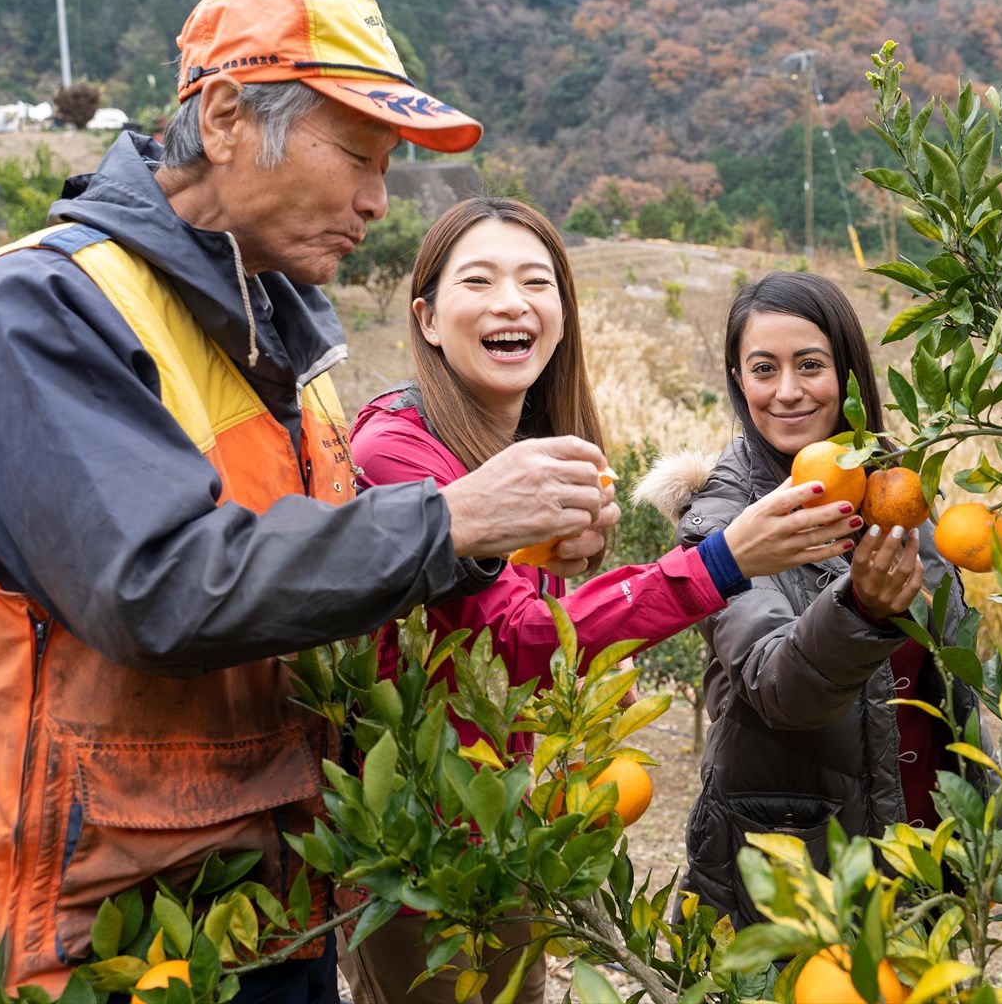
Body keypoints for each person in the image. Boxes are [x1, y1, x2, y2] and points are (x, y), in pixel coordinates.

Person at [0, 0, 627, 1001]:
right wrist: (451, 518)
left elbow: (317, 591)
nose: (379, 203)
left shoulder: (285, 349)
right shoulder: (44, 307)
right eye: (359, 158)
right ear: (228, 114)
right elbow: (155, 585)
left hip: (265, 913)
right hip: (80, 932)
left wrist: (494, 550)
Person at [339, 198, 865, 1003]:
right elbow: (518, 645)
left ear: (560, 314)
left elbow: (509, 656)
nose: (512, 301)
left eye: (536, 281)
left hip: (503, 821)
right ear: (428, 318)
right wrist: (722, 561)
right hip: (413, 839)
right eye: (479, 280)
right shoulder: (396, 449)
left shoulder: (521, 449)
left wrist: (559, 566)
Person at [637, 271, 1001, 930]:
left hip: (926, 855)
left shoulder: (895, 491)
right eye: (763, 369)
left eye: (810, 365)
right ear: (737, 379)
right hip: (797, 873)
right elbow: (781, 687)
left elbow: (949, 673)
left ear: (850, 374)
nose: (787, 391)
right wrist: (860, 608)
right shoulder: (722, 523)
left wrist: (987, 818)